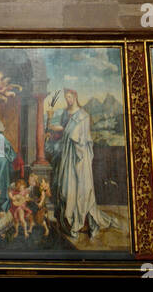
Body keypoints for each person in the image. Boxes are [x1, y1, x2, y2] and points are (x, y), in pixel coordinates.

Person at [47, 89, 112, 239]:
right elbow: (64, 129)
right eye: (66, 98)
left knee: (81, 188)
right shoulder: (65, 113)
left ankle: (81, 222)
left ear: (75, 96)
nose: (68, 100)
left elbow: (83, 137)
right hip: (67, 155)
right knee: (66, 187)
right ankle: (68, 221)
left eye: (69, 97)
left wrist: (74, 139)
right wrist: (50, 124)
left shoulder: (84, 116)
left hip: (79, 156)